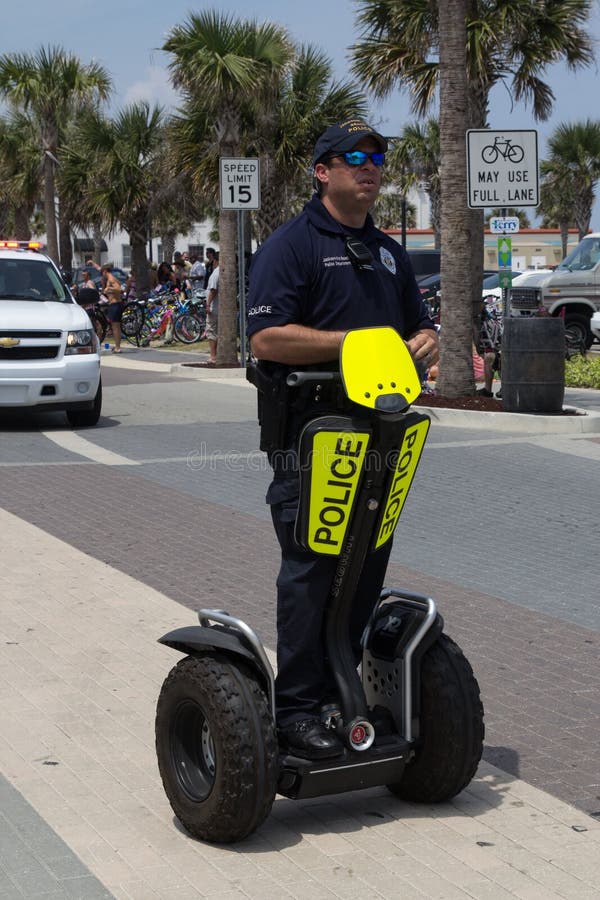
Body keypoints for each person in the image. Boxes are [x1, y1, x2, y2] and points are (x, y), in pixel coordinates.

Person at [246, 119, 438, 759]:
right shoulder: (292, 245)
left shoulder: (386, 251)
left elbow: (419, 327)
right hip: (313, 440)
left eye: (379, 156)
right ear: (322, 171)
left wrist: (425, 341)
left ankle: (340, 700)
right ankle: (297, 711)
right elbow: (267, 339)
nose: (371, 165)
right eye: (355, 156)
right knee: (312, 572)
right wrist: (354, 342)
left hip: (380, 439)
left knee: (364, 569)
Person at [476, 293, 503, 397]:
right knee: (492, 358)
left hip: (495, 330)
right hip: (492, 330)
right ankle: (490, 389)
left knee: (494, 358)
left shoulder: (492, 296)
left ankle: (492, 389)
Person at [101, 264, 124, 352]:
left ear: (105, 272)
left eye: (102, 273)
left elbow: (119, 289)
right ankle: (117, 346)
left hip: (115, 305)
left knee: (115, 327)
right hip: (115, 304)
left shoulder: (111, 279)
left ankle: (118, 347)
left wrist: (109, 289)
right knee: (116, 326)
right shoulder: (111, 279)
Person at [205, 252, 219, 364]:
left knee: (211, 331)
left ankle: (213, 356)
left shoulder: (216, 273)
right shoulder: (223, 272)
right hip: (219, 308)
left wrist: (208, 304)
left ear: (215, 261)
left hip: (214, 308)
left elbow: (213, 290)